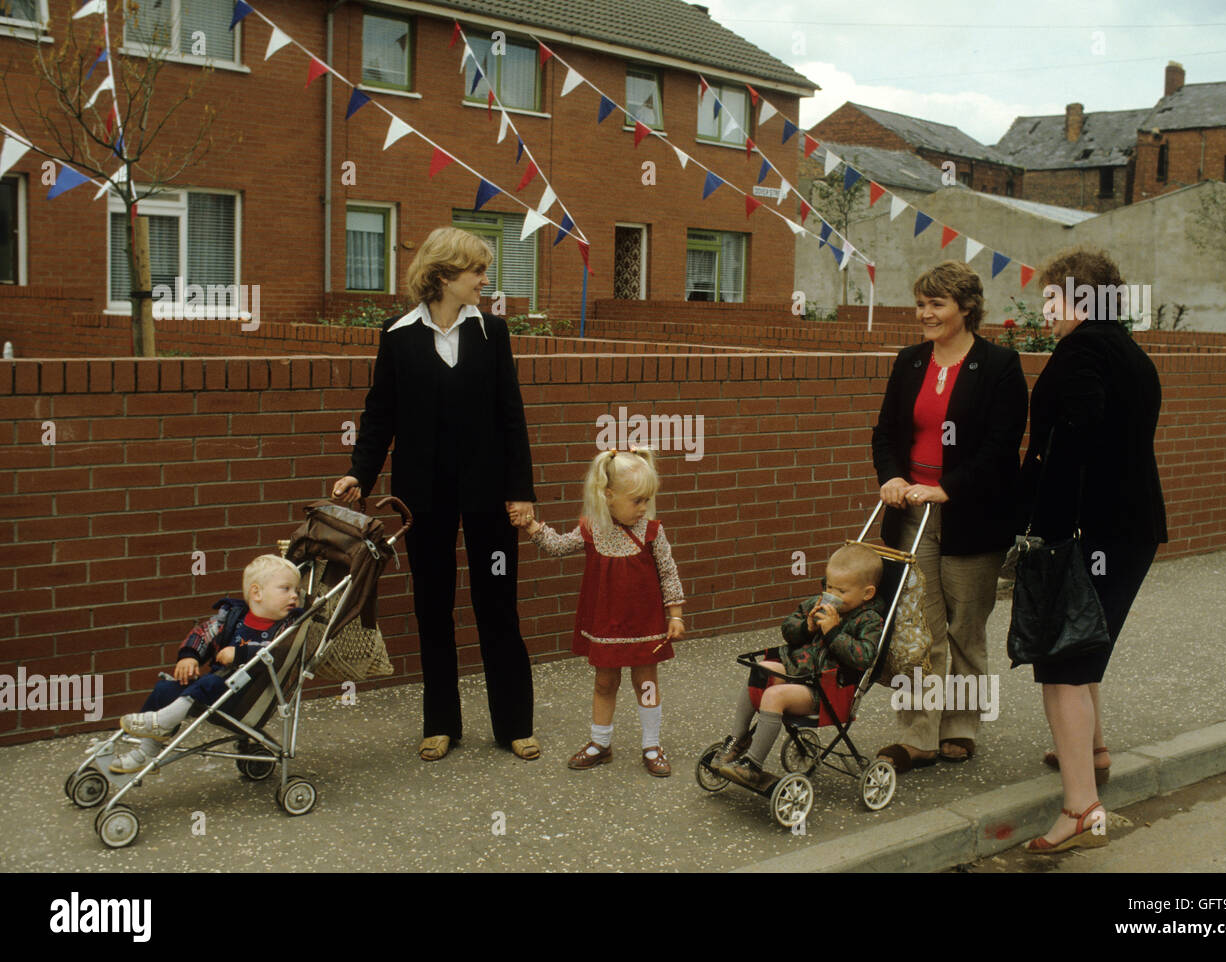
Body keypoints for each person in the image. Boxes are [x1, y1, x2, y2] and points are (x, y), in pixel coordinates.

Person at [332, 226, 540, 763]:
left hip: (489, 498)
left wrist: (521, 492)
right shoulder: (397, 335)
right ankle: (441, 723)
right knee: (433, 607)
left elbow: (511, 416)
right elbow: (380, 416)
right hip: (422, 497)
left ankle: (514, 724)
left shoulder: (493, 332)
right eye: (477, 270)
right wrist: (360, 474)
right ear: (445, 274)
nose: (485, 280)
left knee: (498, 606)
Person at [1018, 246, 1167, 854]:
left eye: (1050, 299)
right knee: (1085, 644)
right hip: (1131, 526)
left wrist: (1040, 522)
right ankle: (1093, 751)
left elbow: (1075, 442)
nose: (1044, 312)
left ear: (1078, 297)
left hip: (1090, 529)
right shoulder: (1132, 353)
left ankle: (1080, 809)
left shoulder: (1080, 353)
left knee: (1062, 662)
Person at [870, 261, 1028, 771]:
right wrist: (892, 477)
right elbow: (885, 433)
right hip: (911, 513)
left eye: (936, 304)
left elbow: (1002, 446)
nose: (925, 313)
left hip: (972, 515)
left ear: (966, 307)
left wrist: (948, 488)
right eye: (921, 304)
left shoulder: (1000, 365)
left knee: (965, 627)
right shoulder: (910, 361)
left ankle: (960, 726)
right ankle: (917, 734)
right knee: (917, 626)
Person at [515, 449, 685, 776]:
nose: (644, 507)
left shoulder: (652, 531)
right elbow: (558, 546)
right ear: (608, 496)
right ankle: (600, 743)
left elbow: (668, 572)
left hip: (645, 625)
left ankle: (652, 745)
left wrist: (675, 615)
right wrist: (531, 525)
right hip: (606, 624)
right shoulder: (591, 529)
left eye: (647, 500)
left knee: (646, 683)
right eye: (636, 500)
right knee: (605, 682)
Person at [714, 543, 884, 790]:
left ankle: (753, 764)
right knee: (762, 669)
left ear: (867, 594)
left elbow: (864, 657)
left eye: (841, 591)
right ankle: (738, 738)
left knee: (774, 696)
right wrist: (807, 627)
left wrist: (834, 633)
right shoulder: (817, 603)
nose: (831, 595)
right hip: (802, 672)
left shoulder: (869, 620)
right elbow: (788, 628)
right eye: (829, 586)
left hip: (828, 691)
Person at [111, 555, 303, 773]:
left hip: (243, 698)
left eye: (296, 590)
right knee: (166, 688)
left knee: (208, 683)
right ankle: (146, 752)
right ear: (257, 593)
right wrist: (189, 656)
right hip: (214, 690)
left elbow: (278, 654)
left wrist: (240, 653)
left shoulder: (287, 628)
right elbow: (203, 632)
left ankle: (161, 722)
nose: (294, 596)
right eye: (285, 589)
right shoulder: (233, 617)